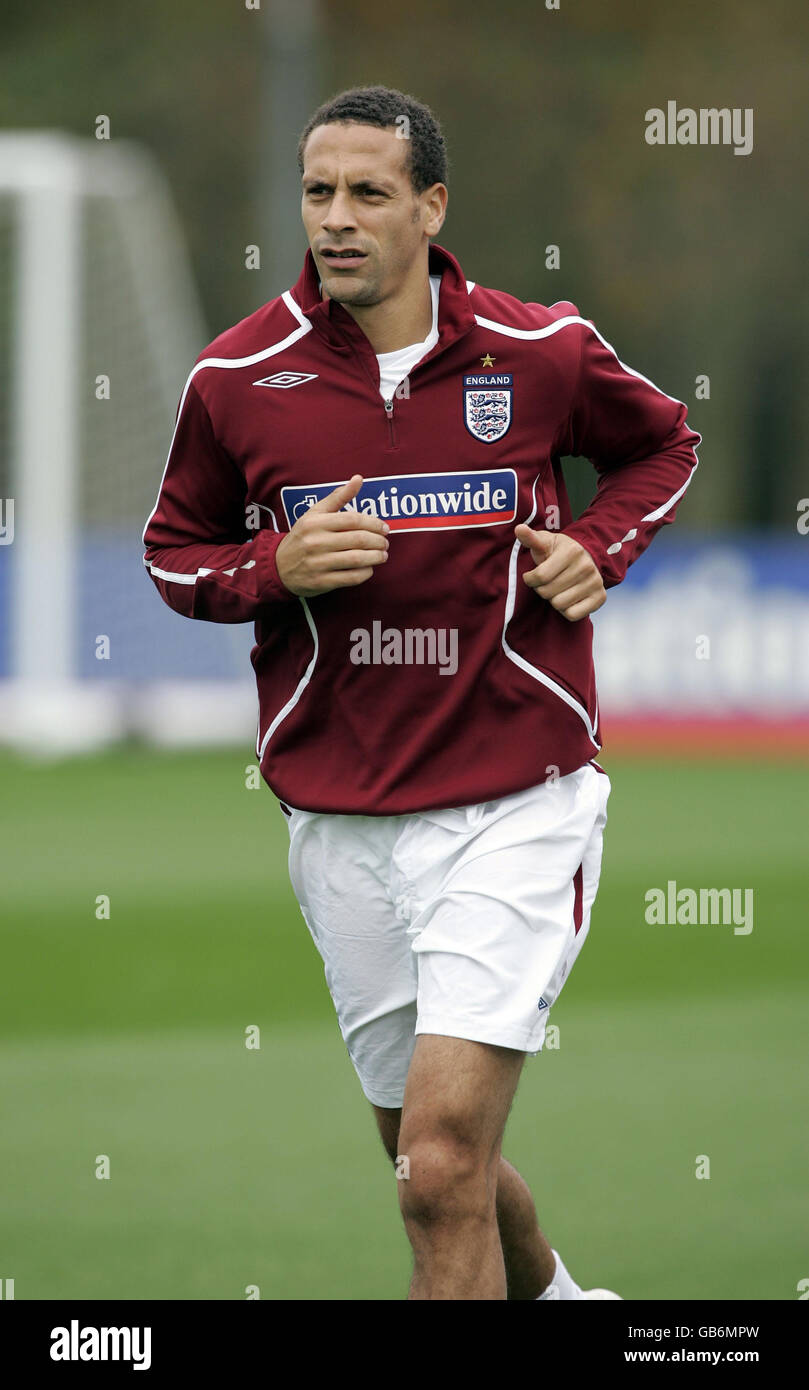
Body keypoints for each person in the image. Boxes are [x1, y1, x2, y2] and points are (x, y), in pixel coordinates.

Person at [142, 84, 700, 1300]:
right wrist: (264, 570)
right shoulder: (235, 376)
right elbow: (171, 551)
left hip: (515, 801)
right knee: (429, 1163)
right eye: (317, 193)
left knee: (440, 1162)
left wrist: (594, 546)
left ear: (430, 206)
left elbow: (663, 442)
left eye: (368, 194)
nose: (335, 220)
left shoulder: (539, 350)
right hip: (338, 824)